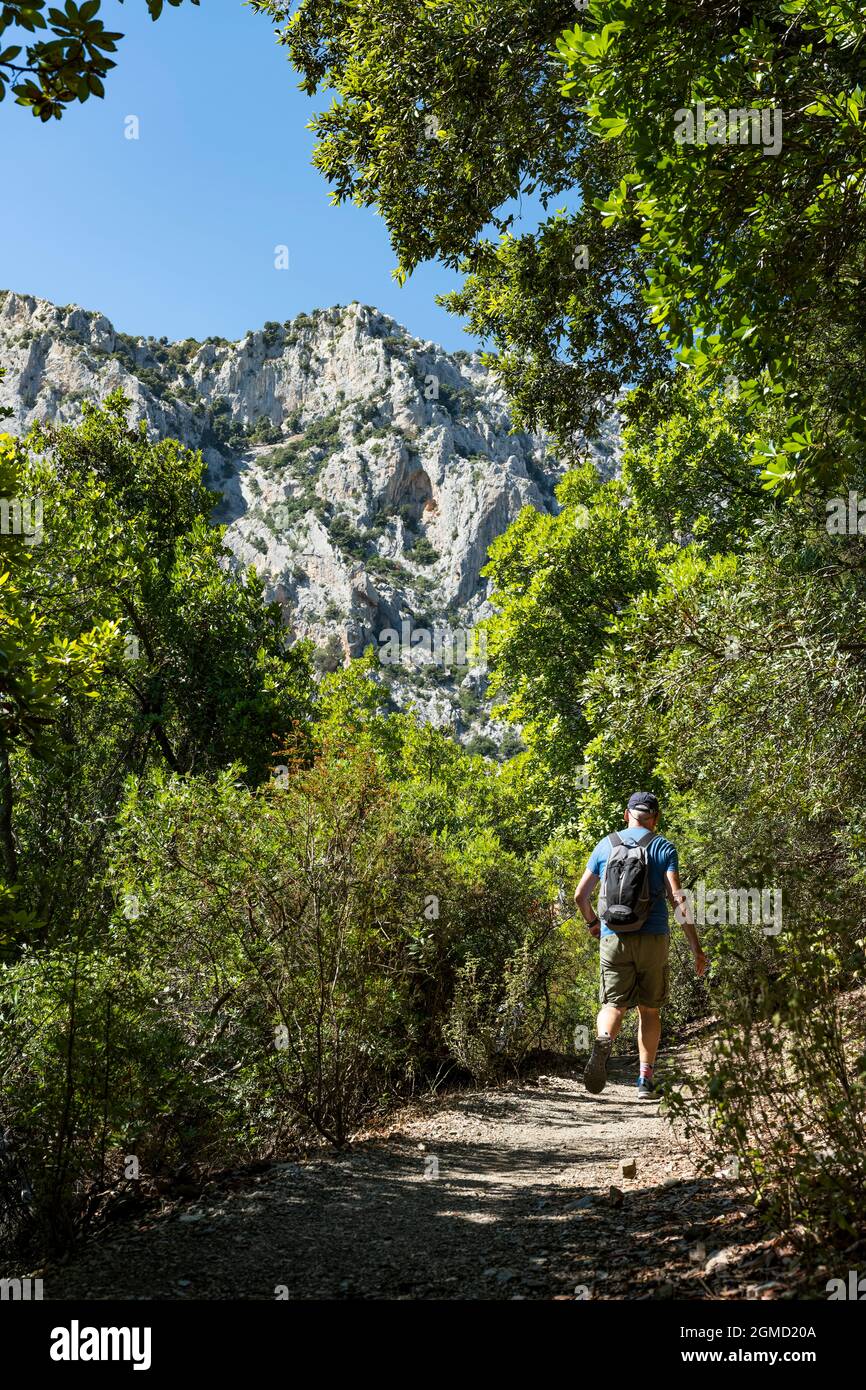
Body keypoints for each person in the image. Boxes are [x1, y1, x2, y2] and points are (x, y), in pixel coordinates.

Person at [573, 791, 708, 1097]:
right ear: (655, 819)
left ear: (626, 814)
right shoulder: (663, 847)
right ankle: (645, 1080)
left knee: (613, 1006)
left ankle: (604, 1037)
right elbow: (678, 900)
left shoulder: (605, 845)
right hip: (654, 937)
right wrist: (696, 949)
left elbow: (580, 896)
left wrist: (594, 923)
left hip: (613, 937)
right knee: (649, 1011)